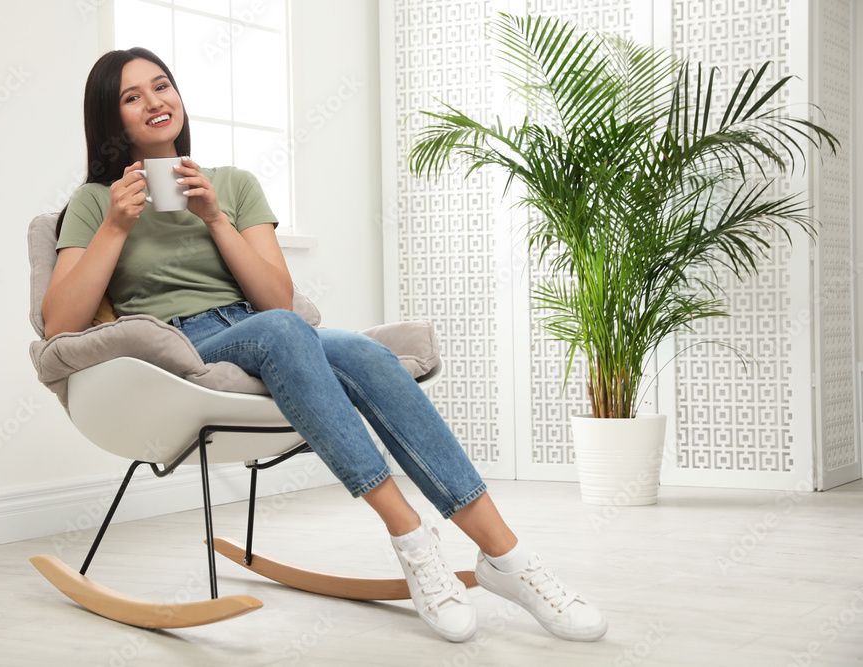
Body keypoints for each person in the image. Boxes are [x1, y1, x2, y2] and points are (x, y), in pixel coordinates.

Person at [43, 47, 607, 644]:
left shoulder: (232, 185)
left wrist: (215, 217)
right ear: (112, 118)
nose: (156, 102)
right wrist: (114, 226)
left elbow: (277, 302)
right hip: (180, 349)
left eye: (163, 86)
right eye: (133, 96)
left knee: (366, 353)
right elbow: (61, 324)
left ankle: (509, 559)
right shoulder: (95, 202)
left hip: (258, 326)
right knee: (291, 334)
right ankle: (411, 538)